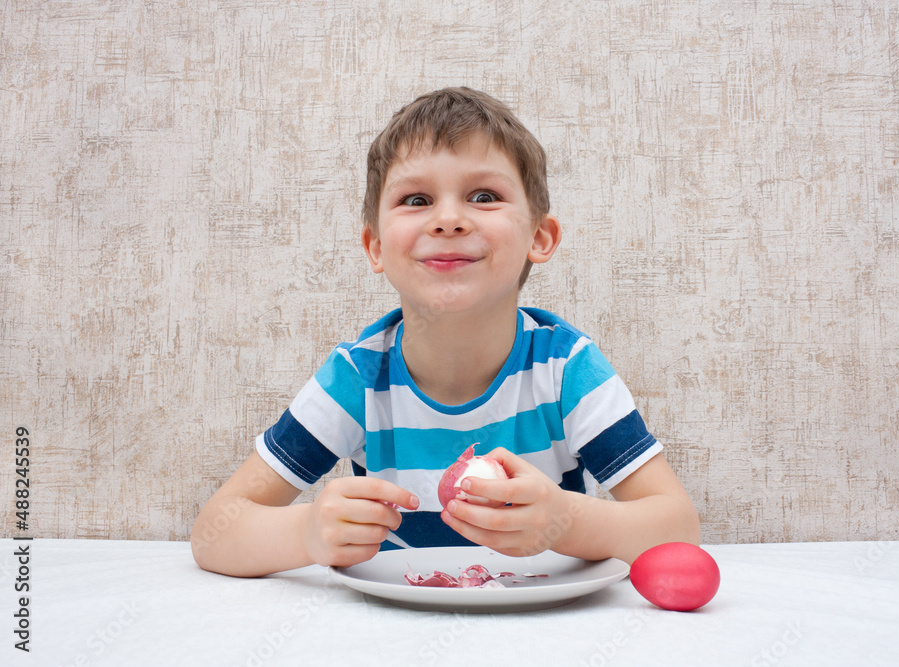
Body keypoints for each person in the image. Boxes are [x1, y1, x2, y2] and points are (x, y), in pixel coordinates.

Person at [191, 87, 700, 577]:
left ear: (539, 238)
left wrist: (566, 522)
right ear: (375, 247)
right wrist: (306, 531)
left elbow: (678, 528)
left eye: (484, 195)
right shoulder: (358, 378)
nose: (449, 219)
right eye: (416, 199)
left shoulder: (566, 369)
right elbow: (215, 535)